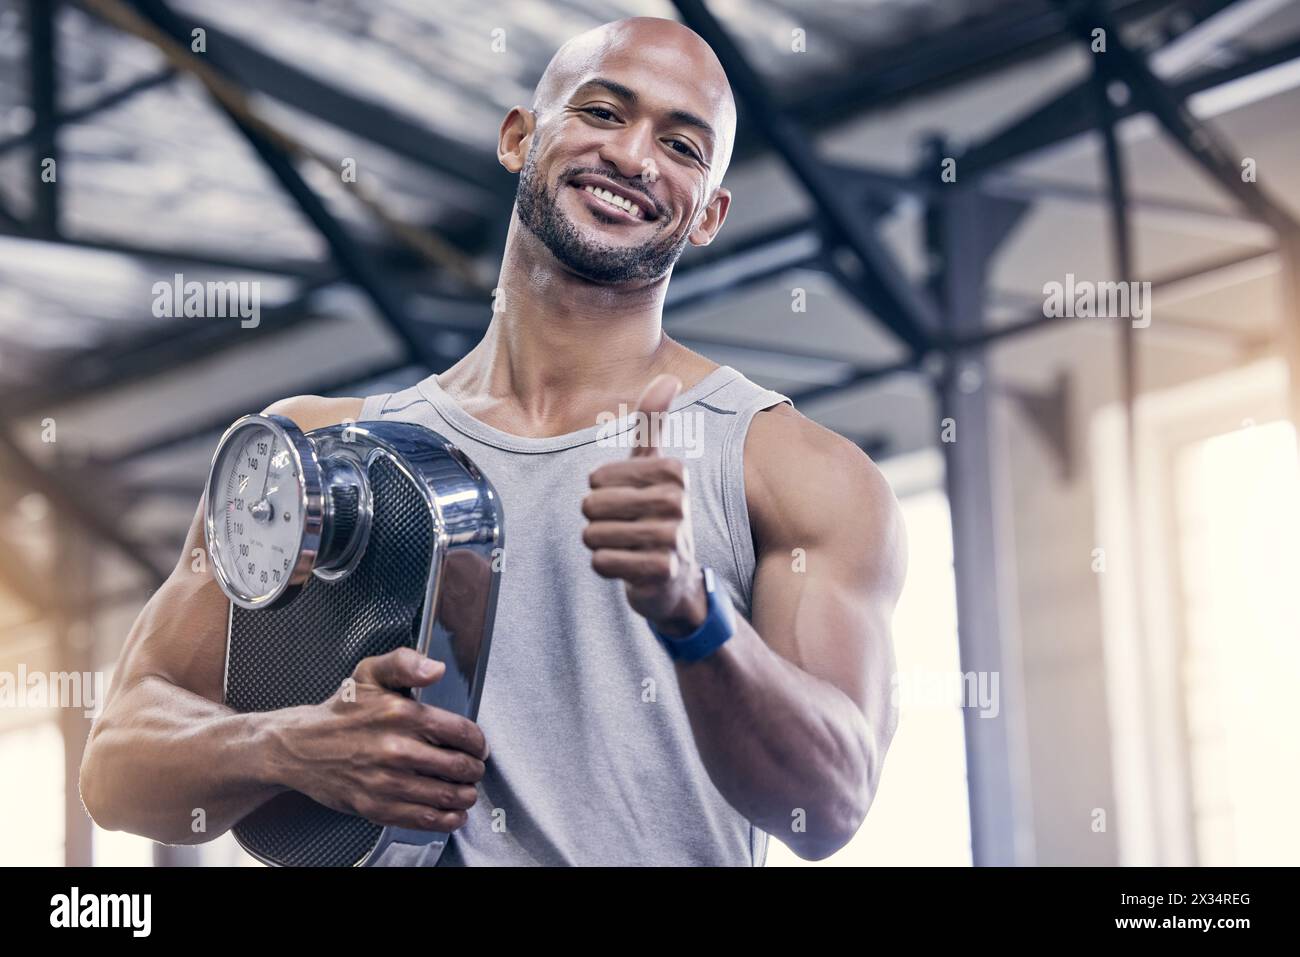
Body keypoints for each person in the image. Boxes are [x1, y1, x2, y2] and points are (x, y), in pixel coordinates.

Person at [80, 16, 906, 866]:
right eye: (602, 111)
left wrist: (691, 612)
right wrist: (288, 746)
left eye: (684, 146)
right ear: (519, 136)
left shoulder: (796, 470)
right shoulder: (318, 451)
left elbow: (830, 807)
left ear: (710, 217)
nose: (633, 156)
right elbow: (116, 767)